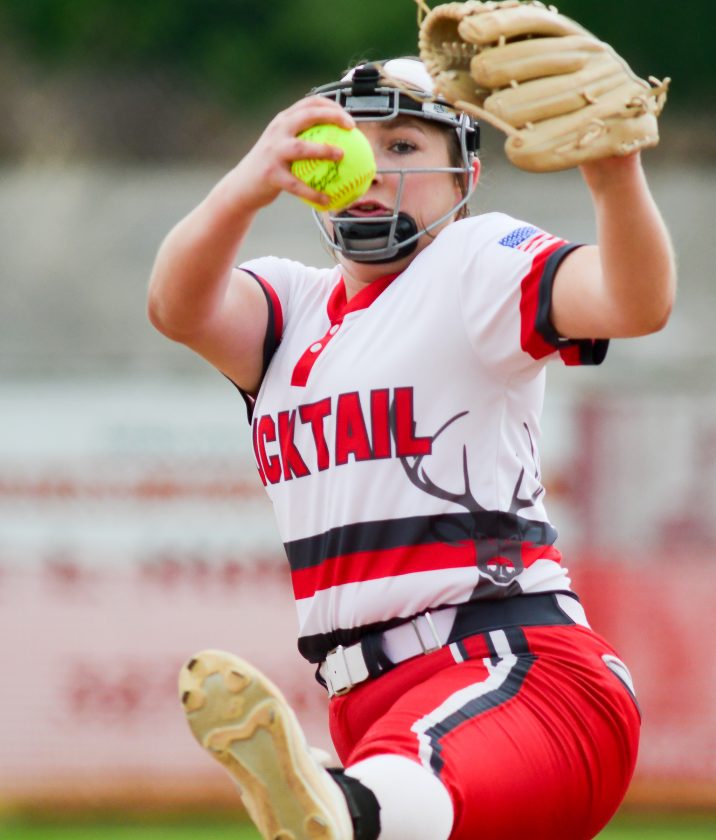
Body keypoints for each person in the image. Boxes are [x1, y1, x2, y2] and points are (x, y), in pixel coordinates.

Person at [148, 56, 675, 840]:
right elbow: (174, 306)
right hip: (368, 706)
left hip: (515, 675)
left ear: (464, 172)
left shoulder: (471, 265)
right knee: (382, 793)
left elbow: (634, 302)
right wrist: (246, 181)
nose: (370, 165)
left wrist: (614, 176)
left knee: (365, 811)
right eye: (348, 143)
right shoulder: (290, 306)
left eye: (402, 145)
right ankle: (346, 799)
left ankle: (344, 806)